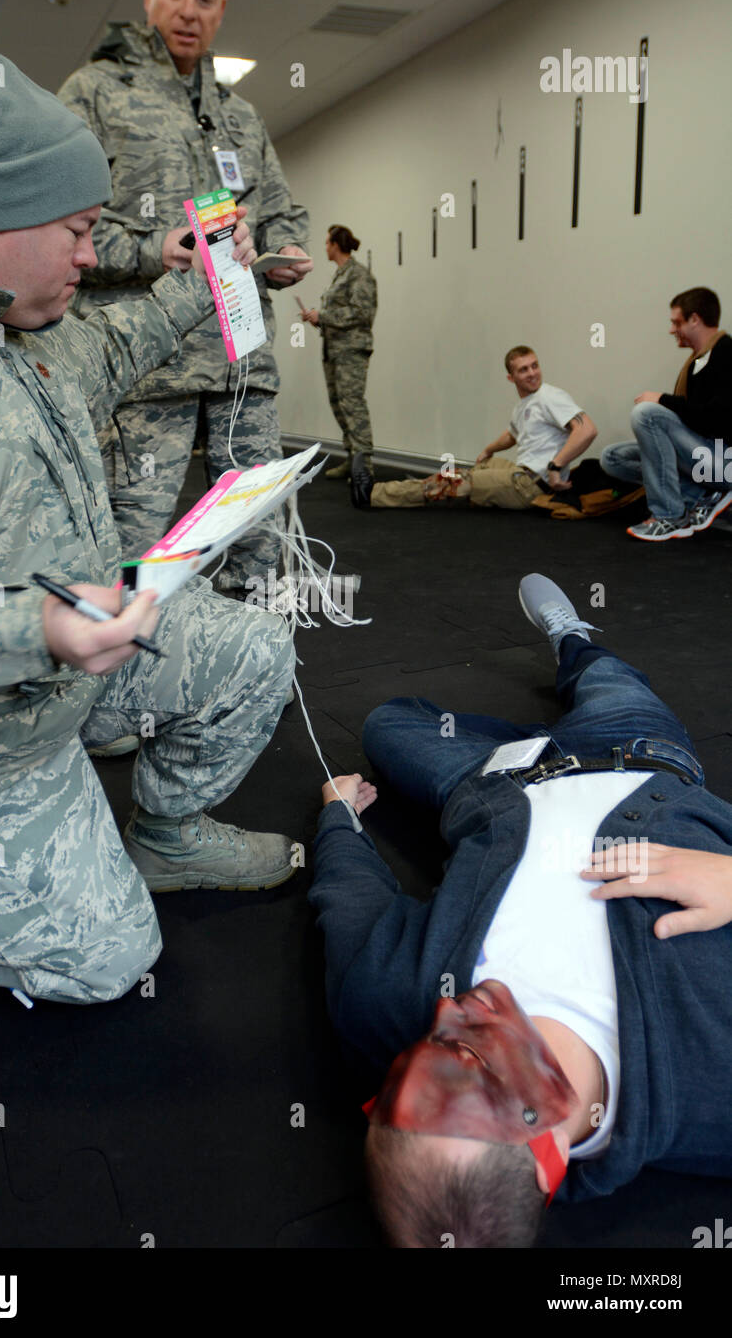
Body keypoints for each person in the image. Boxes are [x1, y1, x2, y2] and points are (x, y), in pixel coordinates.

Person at [0, 48, 300, 998]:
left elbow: (115, 341)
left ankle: (168, 838)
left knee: (256, 651)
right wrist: (36, 630)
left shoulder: (12, 321)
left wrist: (206, 275)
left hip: (74, 666)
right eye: (79, 229)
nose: (94, 256)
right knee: (105, 965)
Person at [308, 574, 732, 1246]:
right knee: (609, 682)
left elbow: (349, 900)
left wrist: (336, 818)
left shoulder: (387, 1000)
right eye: (469, 1055)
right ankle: (577, 641)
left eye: (422, 1047)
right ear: (552, 1147)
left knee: (387, 725)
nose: (447, 1011)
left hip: (494, 786)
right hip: (635, 756)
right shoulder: (714, 1086)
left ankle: (543, 711)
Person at [57, 0, 312, 591]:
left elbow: (280, 211)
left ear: (222, 7)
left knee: (260, 543)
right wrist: (154, 247)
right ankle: (127, 684)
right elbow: (62, 228)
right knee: (136, 548)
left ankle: (256, 678)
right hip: (150, 367)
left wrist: (286, 252)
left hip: (242, 362)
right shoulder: (95, 94)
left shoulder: (240, 115)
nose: (188, 12)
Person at [350, 347, 596, 511]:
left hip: (531, 486)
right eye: (524, 369)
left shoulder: (550, 396)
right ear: (511, 378)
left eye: (534, 366)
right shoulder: (526, 404)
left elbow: (586, 430)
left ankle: (373, 493)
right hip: (522, 471)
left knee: (452, 481)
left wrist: (555, 466)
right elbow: (512, 434)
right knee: (468, 469)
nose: (532, 373)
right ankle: (424, 485)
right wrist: (488, 450)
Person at [600, 288, 732, 542]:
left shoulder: (727, 353)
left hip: (723, 460)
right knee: (612, 457)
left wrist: (663, 400)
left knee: (647, 413)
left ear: (695, 319)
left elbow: (718, 420)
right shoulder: (696, 362)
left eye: (676, 322)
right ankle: (699, 492)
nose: (672, 329)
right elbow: (696, 420)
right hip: (705, 456)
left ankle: (670, 516)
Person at [300, 225, 377, 479]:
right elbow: (340, 313)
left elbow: (362, 312)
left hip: (351, 351)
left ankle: (364, 465)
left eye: (327, 243)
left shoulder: (359, 275)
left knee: (353, 405)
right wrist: (318, 319)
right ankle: (351, 457)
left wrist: (324, 315)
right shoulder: (341, 274)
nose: (325, 248)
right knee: (339, 405)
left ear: (335, 245)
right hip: (333, 350)